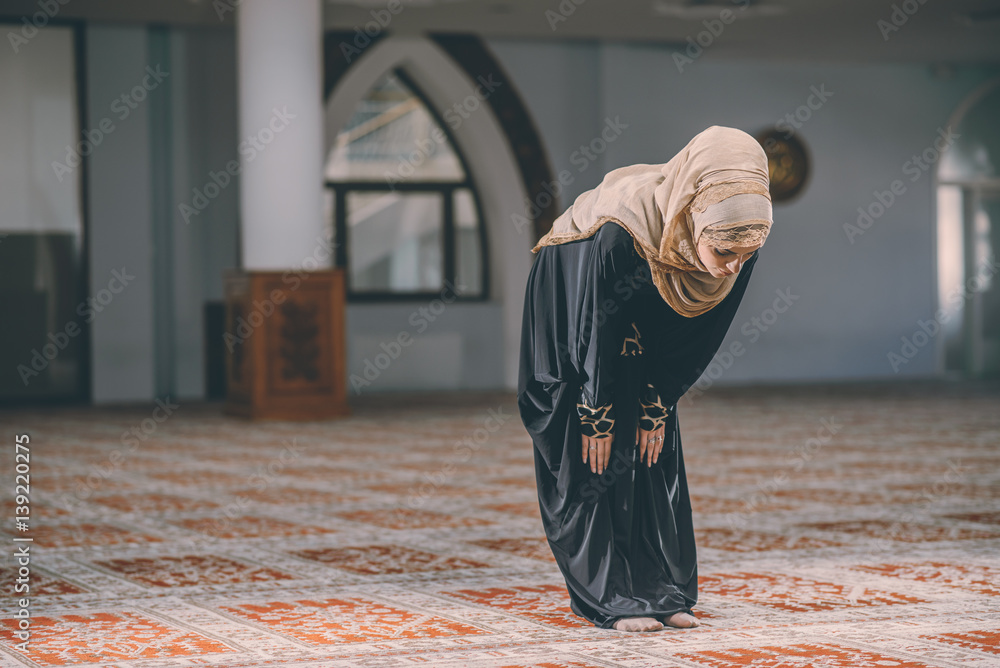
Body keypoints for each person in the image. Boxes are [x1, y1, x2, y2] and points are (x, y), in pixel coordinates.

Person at [517, 125, 773, 632]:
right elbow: (595, 329)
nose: (732, 268)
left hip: (644, 332)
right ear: (694, 222)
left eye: (744, 256)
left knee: (654, 451)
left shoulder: (737, 239)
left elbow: (693, 338)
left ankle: (662, 590)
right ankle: (609, 598)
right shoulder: (620, 235)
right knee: (593, 452)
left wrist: (656, 404)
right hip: (574, 316)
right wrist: (596, 411)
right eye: (724, 253)